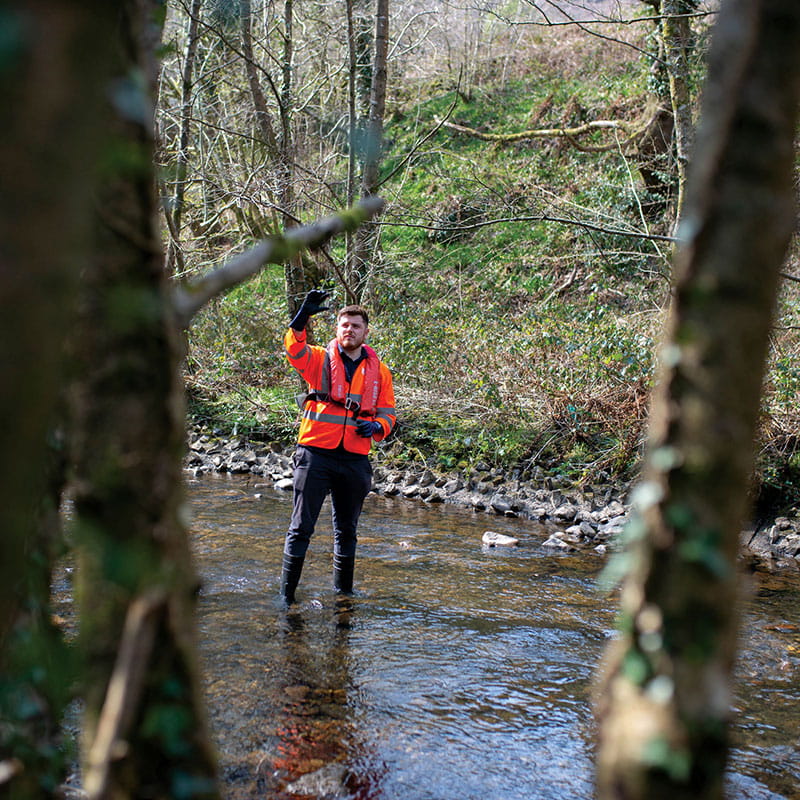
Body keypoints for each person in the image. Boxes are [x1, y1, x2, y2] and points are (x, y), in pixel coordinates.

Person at [280, 289, 396, 604]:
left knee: (347, 532)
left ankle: (343, 596)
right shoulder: (318, 359)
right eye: (344, 325)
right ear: (337, 329)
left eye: (355, 326)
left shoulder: (380, 371)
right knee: (301, 528)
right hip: (315, 455)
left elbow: (388, 413)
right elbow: (293, 348)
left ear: (366, 331)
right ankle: (286, 597)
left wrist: (377, 427)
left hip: (355, 459)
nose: (349, 330)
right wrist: (302, 316)